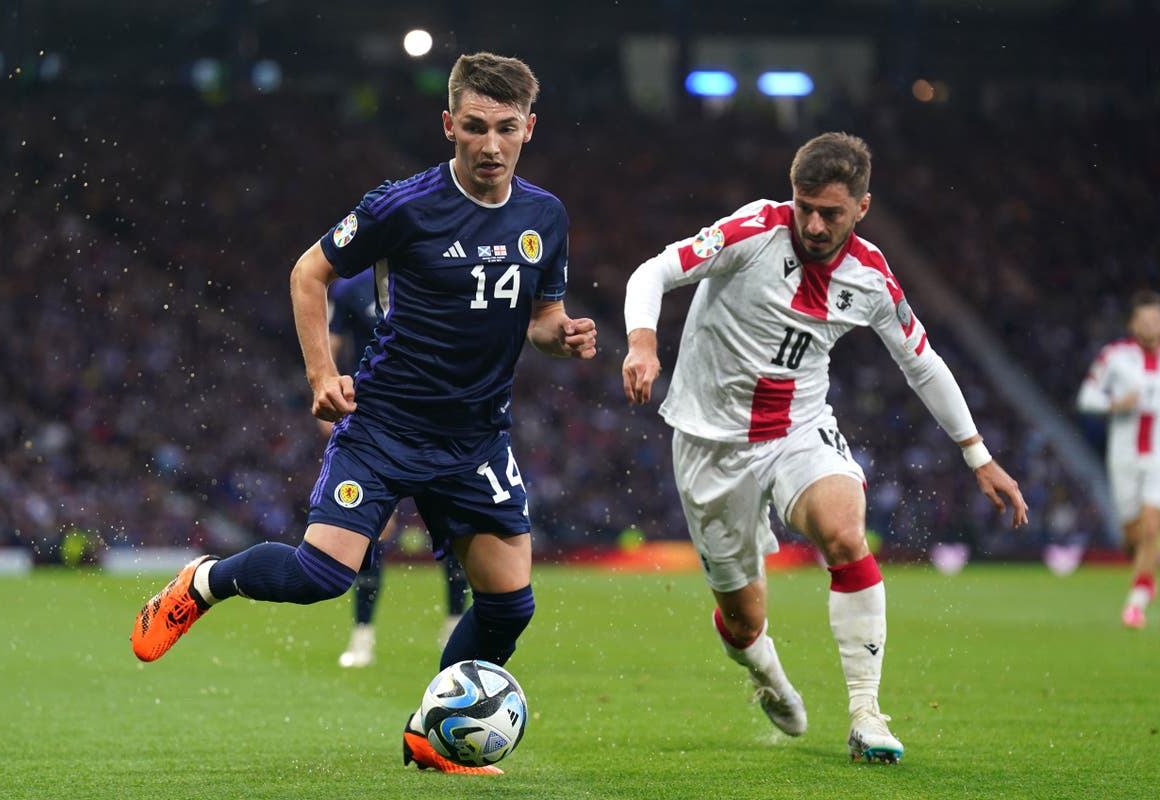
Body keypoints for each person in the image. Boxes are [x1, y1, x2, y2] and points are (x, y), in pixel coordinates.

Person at [131, 52, 598, 775]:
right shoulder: (401, 206)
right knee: (322, 577)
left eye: (506, 128)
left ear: (529, 128)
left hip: (475, 439)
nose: (490, 145)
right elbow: (308, 271)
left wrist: (562, 336)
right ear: (449, 125)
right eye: (474, 127)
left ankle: (429, 734)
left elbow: (543, 317)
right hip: (384, 427)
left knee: (510, 608)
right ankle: (202, 582)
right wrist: (322, 372)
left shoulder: (546, 216)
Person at [620, 132, 1028, 764]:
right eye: (804, 205)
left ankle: (867, 714)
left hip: (797, 431)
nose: (813, 223)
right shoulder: (753, 229)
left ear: (862, 207)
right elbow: (654, 271)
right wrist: (643, 342)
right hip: (709, 444)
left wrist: (979, 456)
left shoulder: (870, 276)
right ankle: (767, 674)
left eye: (830, 212)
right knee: (743, 623)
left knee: (843, 532)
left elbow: (922, 364)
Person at [325, 270, 470, 668]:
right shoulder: (351, 288)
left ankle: (456, 625)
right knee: (368, 533)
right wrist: (327, 388)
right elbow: (334, 345)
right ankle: (362, 636)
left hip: (437, 421)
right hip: (375, 422)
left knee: (456, 527)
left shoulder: (433, 272)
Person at [1076, 289, 1160, 629]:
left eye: (1158, 318)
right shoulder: (1115, 356)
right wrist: (1114, 404)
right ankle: (1147, 572)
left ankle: (1136, 601)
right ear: (1133, 323)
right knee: (1133, 534)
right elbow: (1086, 397)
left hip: (1157, 455)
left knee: (1153, 525)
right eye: (1147, 318)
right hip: (1124, 456)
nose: (1153, 324)